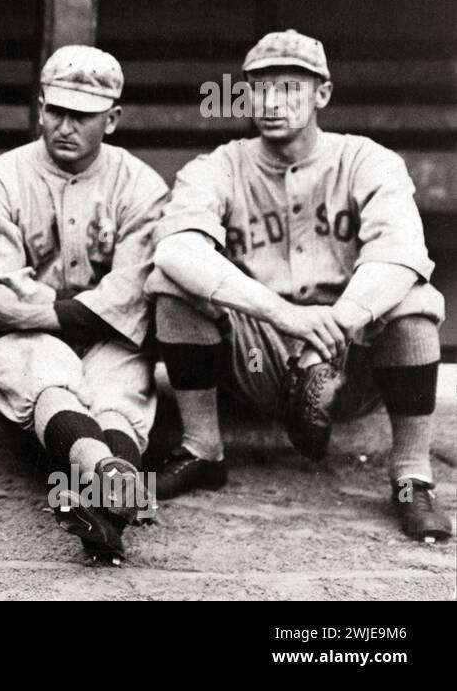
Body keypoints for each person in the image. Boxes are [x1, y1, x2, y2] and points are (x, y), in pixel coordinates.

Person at [148, 30, 451, 544]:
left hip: (348, 355)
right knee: (171, 286)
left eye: (290, 87)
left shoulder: (368, 160)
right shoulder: (219, 166)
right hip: (257, 356)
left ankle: (412, 477)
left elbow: (402, 254)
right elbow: (176, 249)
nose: (271, 102)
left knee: (417, 303)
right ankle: (203, 450)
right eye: (260, 88)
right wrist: (286, 318)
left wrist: (338, 321)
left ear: (322, 95)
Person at [0, 45, 168, 564]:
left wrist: (45, 310)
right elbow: (1, 292)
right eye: (55, 110)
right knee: (48, 376)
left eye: (83, 115)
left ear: (112, 119)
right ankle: (110, 478)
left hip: (109, 333)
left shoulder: (141, 185)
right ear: (40, 107)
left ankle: (102, 497)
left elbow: (130, 293)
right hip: (16, 334)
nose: (64, 126)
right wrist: (54, 315)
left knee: (118, 394)